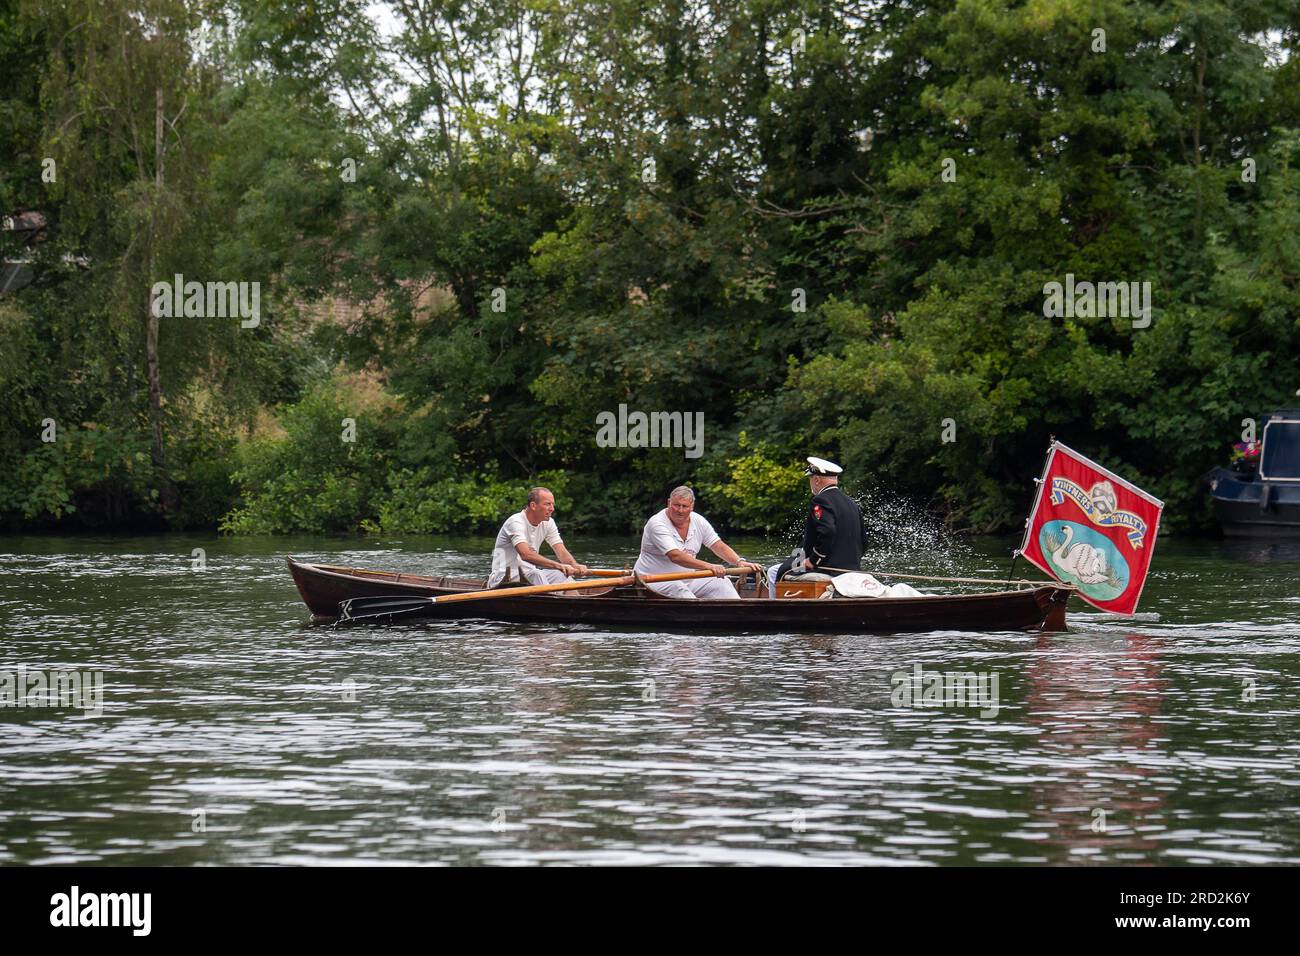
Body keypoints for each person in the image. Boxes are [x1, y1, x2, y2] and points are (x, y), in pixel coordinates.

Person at [633, 487, 765, 599]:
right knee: (677, 587)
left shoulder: (698, 520)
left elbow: (717, 545)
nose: (680, 510)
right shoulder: (657, 523)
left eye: (684, 506)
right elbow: (675, 556)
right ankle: (702, 618)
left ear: (692, 506)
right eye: (676, 505)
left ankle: (739, 614)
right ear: (668, 503)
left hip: (688, 578)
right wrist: (709, 566)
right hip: (653, 581)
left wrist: (739, 562)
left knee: (722, 582)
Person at [768, 457, 869, 597]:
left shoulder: (821, 500)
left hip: (826, 568)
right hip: (851, 568)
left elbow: (827, 532)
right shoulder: (851, 503)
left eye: (810, 479)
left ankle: (776, 611)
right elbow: (864, 541)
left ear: (816, 480)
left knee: (773, 571)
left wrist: (813, 560)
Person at [487, 487, 590, 588]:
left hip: (529, 575)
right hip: (503, 577)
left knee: (561, 575)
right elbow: (526, 554)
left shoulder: (548, 523)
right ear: (533, 505)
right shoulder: (515, 522)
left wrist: (574, 565)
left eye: (552, 504)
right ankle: (557, 601)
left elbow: (561, 552)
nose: (552, 509)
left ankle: (576, 602)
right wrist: (559, 566)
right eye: (547, 504)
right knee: (537, 574)